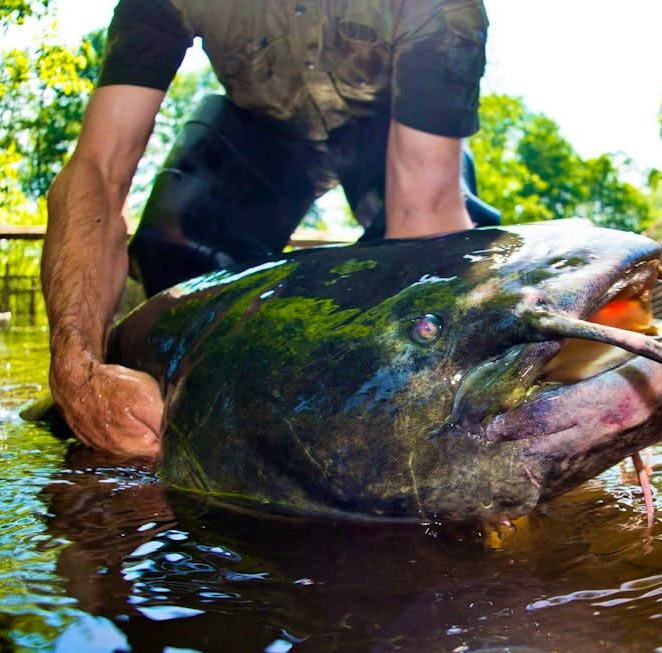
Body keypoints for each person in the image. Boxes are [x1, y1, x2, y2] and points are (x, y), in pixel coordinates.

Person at [41, 0, 498, 460]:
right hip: (258, 135)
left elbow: (423, 211)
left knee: (439, 278)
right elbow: (99, 169)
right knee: (172, 252)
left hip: (390, 133)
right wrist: (75, 369)